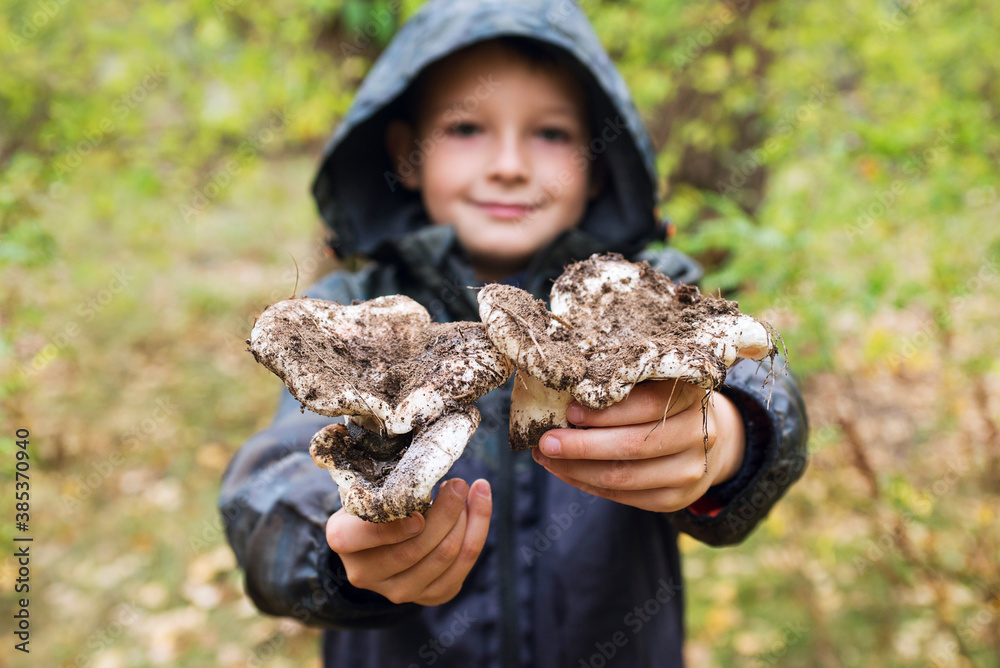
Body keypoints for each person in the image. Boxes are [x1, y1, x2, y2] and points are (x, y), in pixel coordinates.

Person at [220, 0, 809, 666]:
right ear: (405, 155)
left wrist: (729, 439)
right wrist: (335, 550)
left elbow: (761, 380)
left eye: (551, 134)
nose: (509, 164)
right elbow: (268, 487)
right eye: (467, 127)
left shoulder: (642, 289)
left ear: (597, 159)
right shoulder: (353, 310)